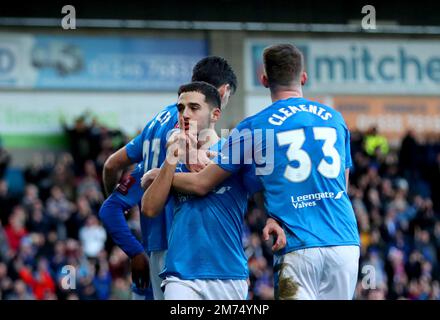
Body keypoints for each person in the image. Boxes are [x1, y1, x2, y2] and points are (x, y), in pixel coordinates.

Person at [170, 44, 360, 300]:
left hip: (297, 246)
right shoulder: (335, 119)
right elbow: (342, 186)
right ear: (303, 77)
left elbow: (202, 183)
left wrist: (159, 177)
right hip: (344, 242)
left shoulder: (252, 126)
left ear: (263, 79)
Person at [99, 56, 240, 300]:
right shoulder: (188, 125)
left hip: (154, 242)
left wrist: (132, 237)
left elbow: (111, 165)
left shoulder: (157, 120)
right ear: (224, 92)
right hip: (186, 246)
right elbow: (194, 166)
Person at [142, 81, 285, 300]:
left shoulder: (236, 153)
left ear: (215, 114)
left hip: (230, 274)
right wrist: (170, 160)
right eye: (181, 108)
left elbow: (263, 191)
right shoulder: (174, 156)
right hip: (181, 276)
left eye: (194, 108)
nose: (185, 114)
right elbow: (150, 209)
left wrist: (272, 218)